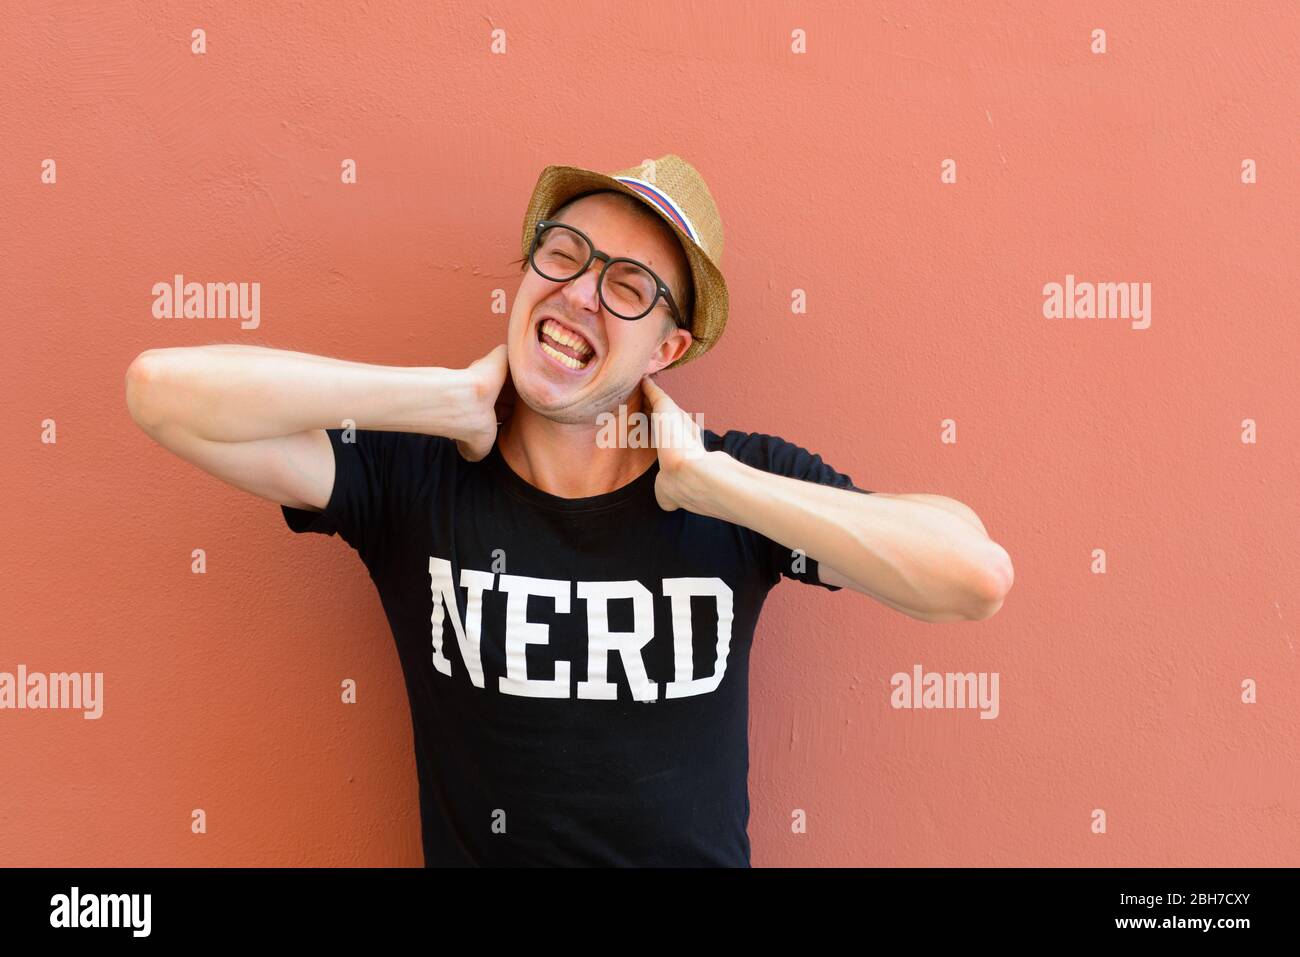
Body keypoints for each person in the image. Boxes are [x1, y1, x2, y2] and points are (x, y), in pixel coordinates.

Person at [125, 153, 1013, 867]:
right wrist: (437, 400)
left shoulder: (741, 486)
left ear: (667, 346)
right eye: (566, 254)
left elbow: (972, 575)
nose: (582, 291)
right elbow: (163, 392)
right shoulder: (412, 479)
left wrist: (716, 487)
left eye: (628, 284)